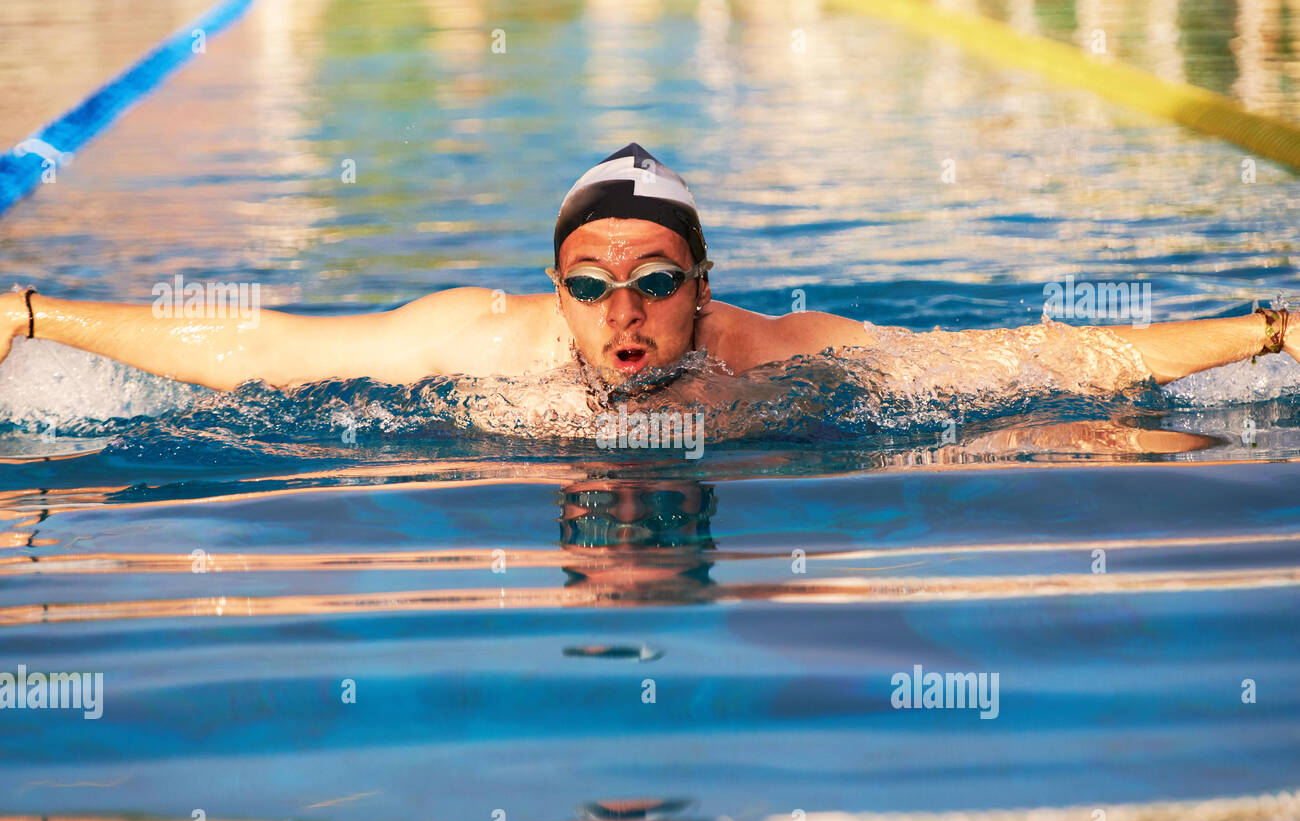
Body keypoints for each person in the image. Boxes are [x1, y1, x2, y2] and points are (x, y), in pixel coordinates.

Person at [0, 143, 1293, 397]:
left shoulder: (775, 358)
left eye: (656, 279)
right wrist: (35, 311)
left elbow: (1036, 358)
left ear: (705, 285)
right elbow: (262, 349)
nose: (620, 311)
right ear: (550, 283)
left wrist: (1270, 334)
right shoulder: (485, 340)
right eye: (588, 281)